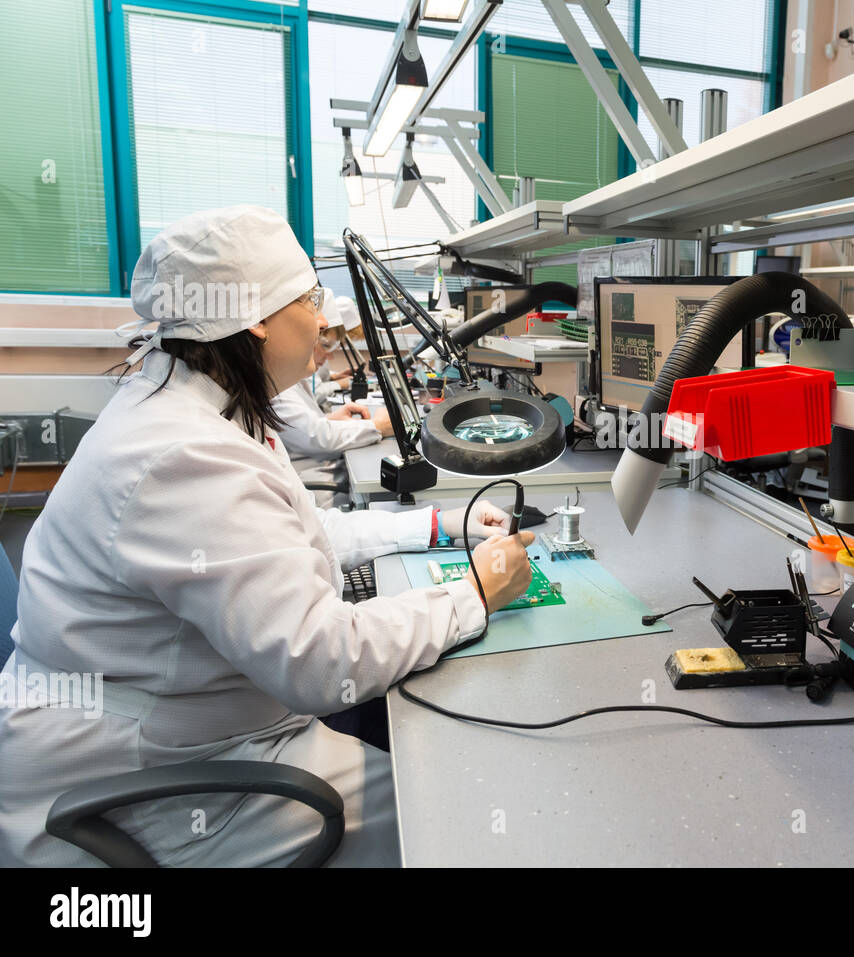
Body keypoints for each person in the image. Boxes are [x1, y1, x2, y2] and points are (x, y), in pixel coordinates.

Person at [0, 205, 535, 867]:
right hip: (147, 784)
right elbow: (323, 661)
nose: (322, 320)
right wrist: (472, 594)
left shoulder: (203, 410)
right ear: (254, 314)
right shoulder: (184, 454)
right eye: (309, 297)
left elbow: (291, 542)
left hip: (192, 732)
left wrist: (436, 523)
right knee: (453, 807)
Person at [273, 289, 388, 505]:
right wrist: (379, 426)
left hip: (322, 473)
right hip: (316, 490)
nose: (329, 355)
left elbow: (307, 427)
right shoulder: (277, 388)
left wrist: (329, 421)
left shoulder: (291, 381)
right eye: (323, 342)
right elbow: (316, 437)